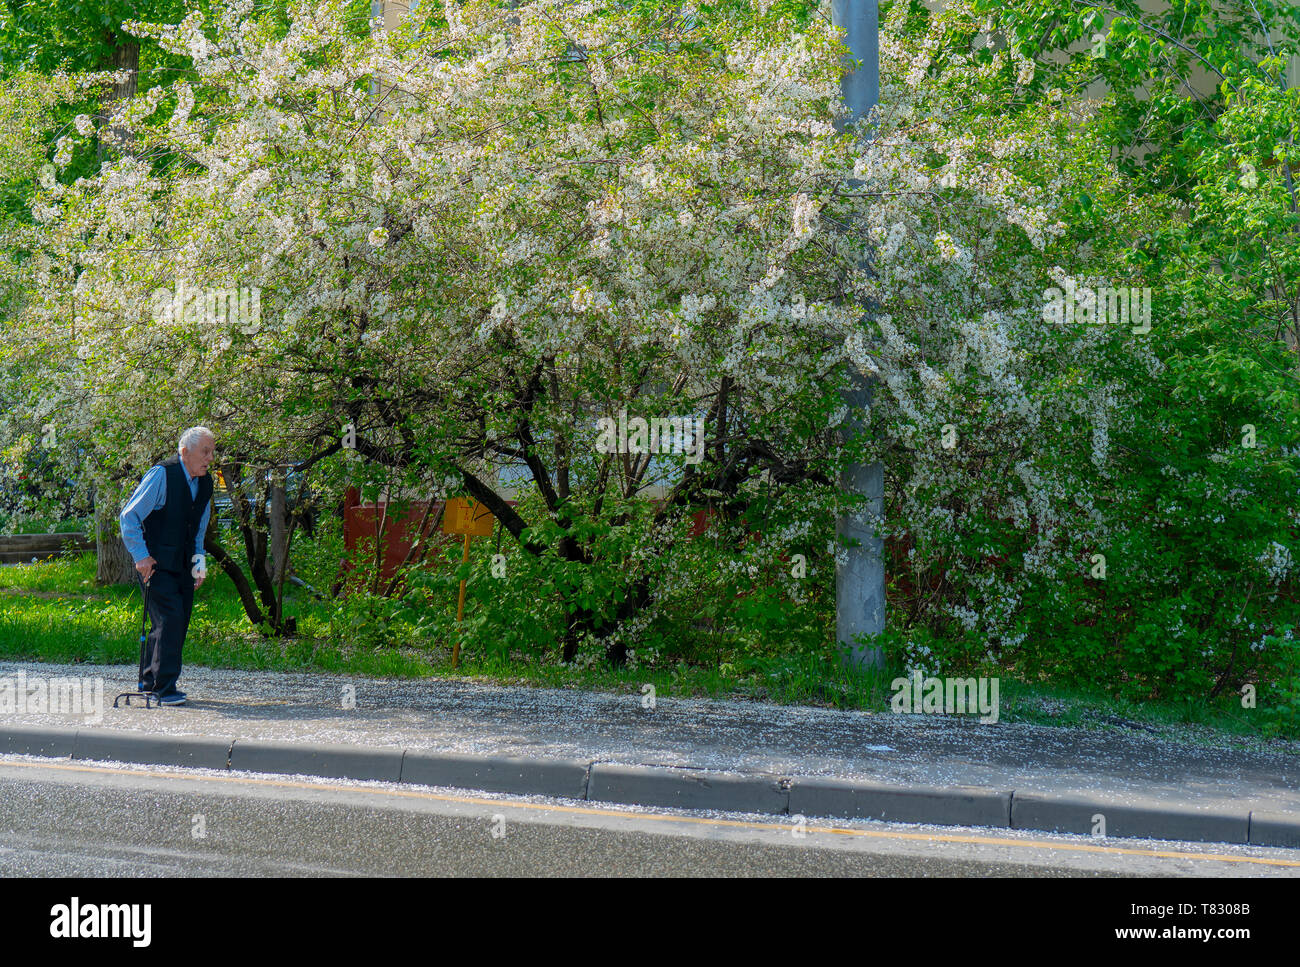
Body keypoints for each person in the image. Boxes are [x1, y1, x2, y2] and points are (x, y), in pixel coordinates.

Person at [119, 426, 215, 706]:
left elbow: (199, 528)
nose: (210, 458)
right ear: (185, 452)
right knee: (168, 619)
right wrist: (140, 556)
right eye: (205, 451)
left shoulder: (204, 483)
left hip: (184, 564)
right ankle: (163, 688)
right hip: (156, 564)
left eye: (212, 451)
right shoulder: (162, 474)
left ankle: (153, 683)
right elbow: (129, 516)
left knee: (178, 621)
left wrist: (199, 562)